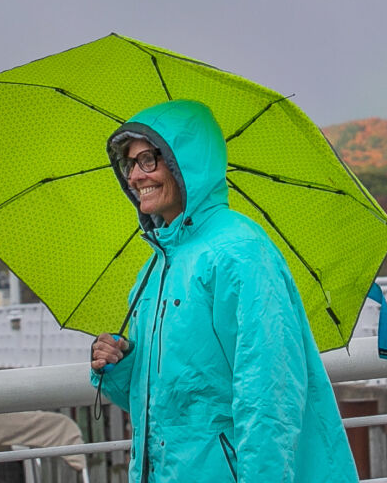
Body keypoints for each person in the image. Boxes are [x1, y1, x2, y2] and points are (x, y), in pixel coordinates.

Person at [89, 98, 358, 482]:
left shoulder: (240, 252)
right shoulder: (157, 263)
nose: (134, 176)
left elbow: (270, 394)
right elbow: (169, 395)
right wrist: (120, 364)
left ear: (186, 163)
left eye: (148, 159)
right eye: (129, 164)